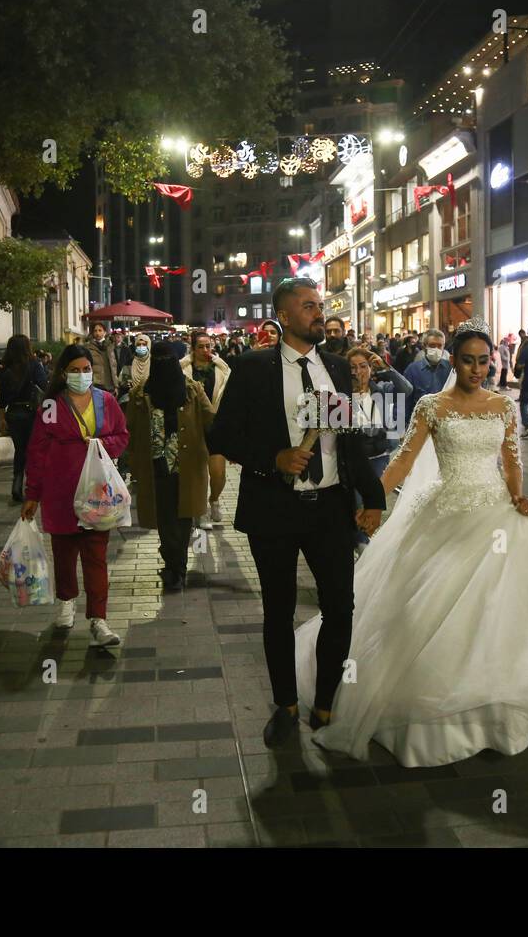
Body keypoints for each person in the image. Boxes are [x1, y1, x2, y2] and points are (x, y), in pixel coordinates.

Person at [291, 317, 528, 766]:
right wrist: (375, 501)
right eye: (469, 361)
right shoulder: (432, 407)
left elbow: (511, 460)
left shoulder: (503, 406)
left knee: (512, 607)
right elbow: (403, 459)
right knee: (429, 604)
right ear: (453, 361)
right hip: (444, 512)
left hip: (497, 509)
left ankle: (514, 699)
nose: (477, 369)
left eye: (483, 360)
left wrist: (517, 495)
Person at [205, 277, 385, 748]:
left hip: (329, 508)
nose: (318, 313)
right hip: (275, 508)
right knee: (278, 610)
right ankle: (285, 704)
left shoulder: (338, 369)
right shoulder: (253, 367)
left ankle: (325, 701)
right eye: (308, 307)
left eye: (319, 305)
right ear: (284, 316)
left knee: (340, 609)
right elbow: (220, 436)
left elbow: (349, 444)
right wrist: (274, 458)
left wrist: (374, 497)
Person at [21, 344, 130, 647]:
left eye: (86, 370)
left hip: (97, 493)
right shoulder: (52, 406)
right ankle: (66, 602)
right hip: (60, 492)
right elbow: (37, 451)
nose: (82, 375)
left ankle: (99, 619)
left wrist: (99, 444)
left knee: (96, 556)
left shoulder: (105, 400)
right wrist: (33, 493)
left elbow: (122, 435)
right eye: (75, 370)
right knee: (64, 553)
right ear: (63, 372)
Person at [127, 342, 214, 591]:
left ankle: (178, 567)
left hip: (187, 465)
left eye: (169, 359)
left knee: (184, 517)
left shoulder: (193, 390)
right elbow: (130, 429)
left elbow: (210, 420)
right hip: (155, 466)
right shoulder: (140, 394)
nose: (164, 364)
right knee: (164, 518)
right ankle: (172, 564)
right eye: (160, 359)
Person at [346, 346, 412, 547]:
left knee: (371, 504)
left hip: (378, 457)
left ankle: (362, 543)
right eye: (353, 367)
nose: (359, 371)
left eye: (363, 366)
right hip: (355, 460)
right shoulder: (341, 395)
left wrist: (386, 367)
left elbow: (406, 389)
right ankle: (360, 543)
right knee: (356, 503)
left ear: (370, 368)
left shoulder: (381, 390)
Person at [181, 331, 231, 529]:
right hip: (193, 426)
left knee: (218, 473)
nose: (205, 350)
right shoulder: (183, 368)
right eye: (200, 346)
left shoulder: (221, 369)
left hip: (216, 426)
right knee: (197, 473)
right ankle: (200, 513)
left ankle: (214, 499)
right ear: (193, 348)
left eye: (208, 346)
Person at [0, 334, 50, 502]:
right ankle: (33, 486)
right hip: (32, 413)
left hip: (13, 414)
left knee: (20, 450)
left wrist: (2, 418)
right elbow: (45, 386)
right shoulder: (34, 365)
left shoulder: (5, 368)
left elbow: (1, 399)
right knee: (34, 450)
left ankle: (17, 484)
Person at [402, 329, 452, 427]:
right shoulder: (412, 370)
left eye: (440, 346)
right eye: (432, 346)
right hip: (420, 426)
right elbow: (404, 402)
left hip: (446, 425)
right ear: (424, 346)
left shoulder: (450, 369)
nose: (437, 349)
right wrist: (401, 429)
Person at [84, 322, 120, 393]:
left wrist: (116, 385)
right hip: (96, 385)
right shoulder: (88, 348)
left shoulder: (110, 346)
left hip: (110, 385)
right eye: (95, 331)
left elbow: (114, 367)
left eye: (100, 330)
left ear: (105, 332)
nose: (97, 333)